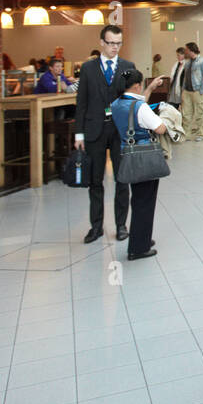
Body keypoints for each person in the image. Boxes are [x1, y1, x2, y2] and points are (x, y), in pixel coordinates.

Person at [74, 24, 154, 244]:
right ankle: (96, 226)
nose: (114, 48)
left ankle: (121, 225)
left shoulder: (128, 67)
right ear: (102, 42)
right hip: (94, 131)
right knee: (95, 181)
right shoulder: (88, 68)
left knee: (122, 179)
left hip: (121, 131)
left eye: (118, 43)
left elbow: (133, 100)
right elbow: (81, 102)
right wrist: (78, 134)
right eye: (110, 43)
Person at [111, 70, 168, 261]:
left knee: (138, 200)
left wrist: (151, 89)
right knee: (146, 202)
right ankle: (138, 248)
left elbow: (134, 105)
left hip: (128, 155)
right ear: (136, 85)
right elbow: (159, 127)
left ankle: (140, 239)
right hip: (145, 158)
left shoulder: (116, 104)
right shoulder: (140, 107)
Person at [181, 41, 203, 141]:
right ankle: (186, 134)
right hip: (187, 91)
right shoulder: (187, 63)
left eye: (186, 50)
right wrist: (183, 89)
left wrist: (201, 90)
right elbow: (185, 77)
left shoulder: (202, 61)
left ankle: (200, 134)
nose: (185, 52)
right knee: (186, 114)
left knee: (200, 113)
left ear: (191, 50)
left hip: (197, 91)